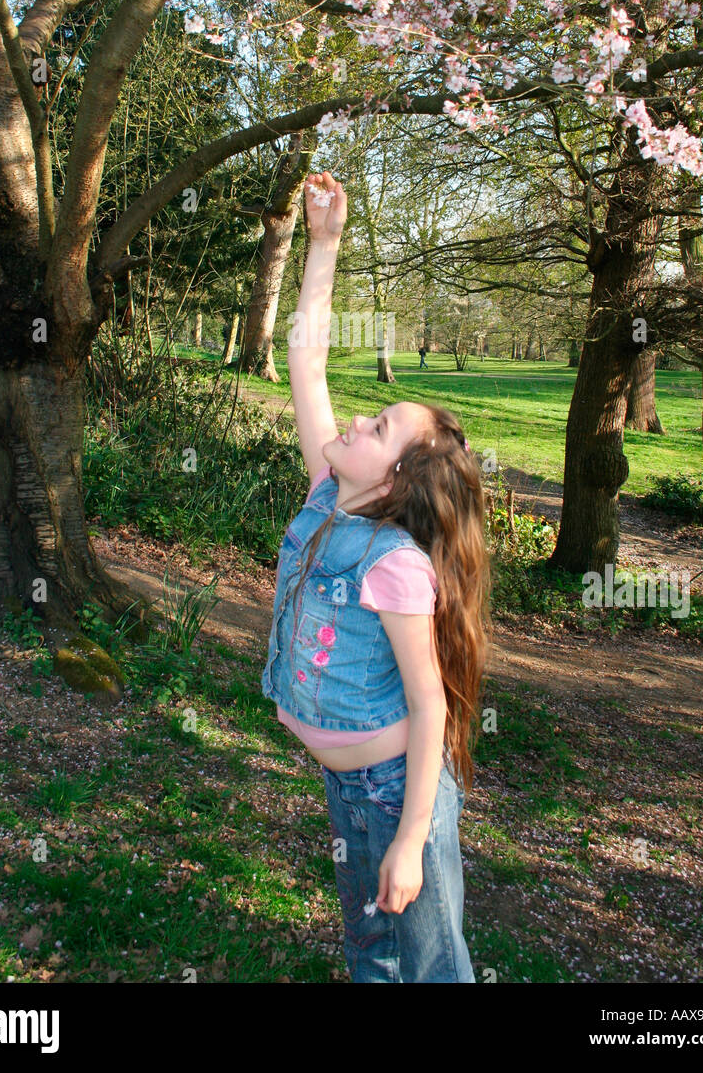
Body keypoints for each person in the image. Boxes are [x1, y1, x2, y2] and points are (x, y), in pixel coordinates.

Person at [261, 169, 492, 983]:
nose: (356, 418)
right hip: (351, 789)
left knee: (432, 966)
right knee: (373, 956)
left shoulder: (394, 565)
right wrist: (323, 246)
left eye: (379, 424)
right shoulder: (331, 496)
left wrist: (408, 840)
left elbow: (431, 705)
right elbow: (305, 362)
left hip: (398, 795)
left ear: (393, 481)